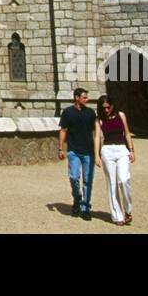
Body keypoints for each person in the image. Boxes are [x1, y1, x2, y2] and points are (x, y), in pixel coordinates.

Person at [95, 94, 135, 226]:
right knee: (111, 184)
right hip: (107, 151)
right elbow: (97, 138)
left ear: (112, 105)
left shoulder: (121, 115)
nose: (106, 110)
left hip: (122, 149)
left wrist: (131, 150)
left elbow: (127, 133)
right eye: (103, 108)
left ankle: (128, 210)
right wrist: (97, 155)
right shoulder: (99, 120)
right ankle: (117, 215)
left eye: (108, 107)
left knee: (123, 180)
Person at [57, 87, 96, 220]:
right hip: (73, 151)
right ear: (77, 98)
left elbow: (96, 132)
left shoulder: (91, 113)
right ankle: (77, 198)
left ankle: (85, 207)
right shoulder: (67, 112)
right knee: (74, 177)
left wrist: (98, 151)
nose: (87, 99)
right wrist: (60, 148)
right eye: (84, 97)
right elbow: (63, 130)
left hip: (88, 152)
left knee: (87, 180)